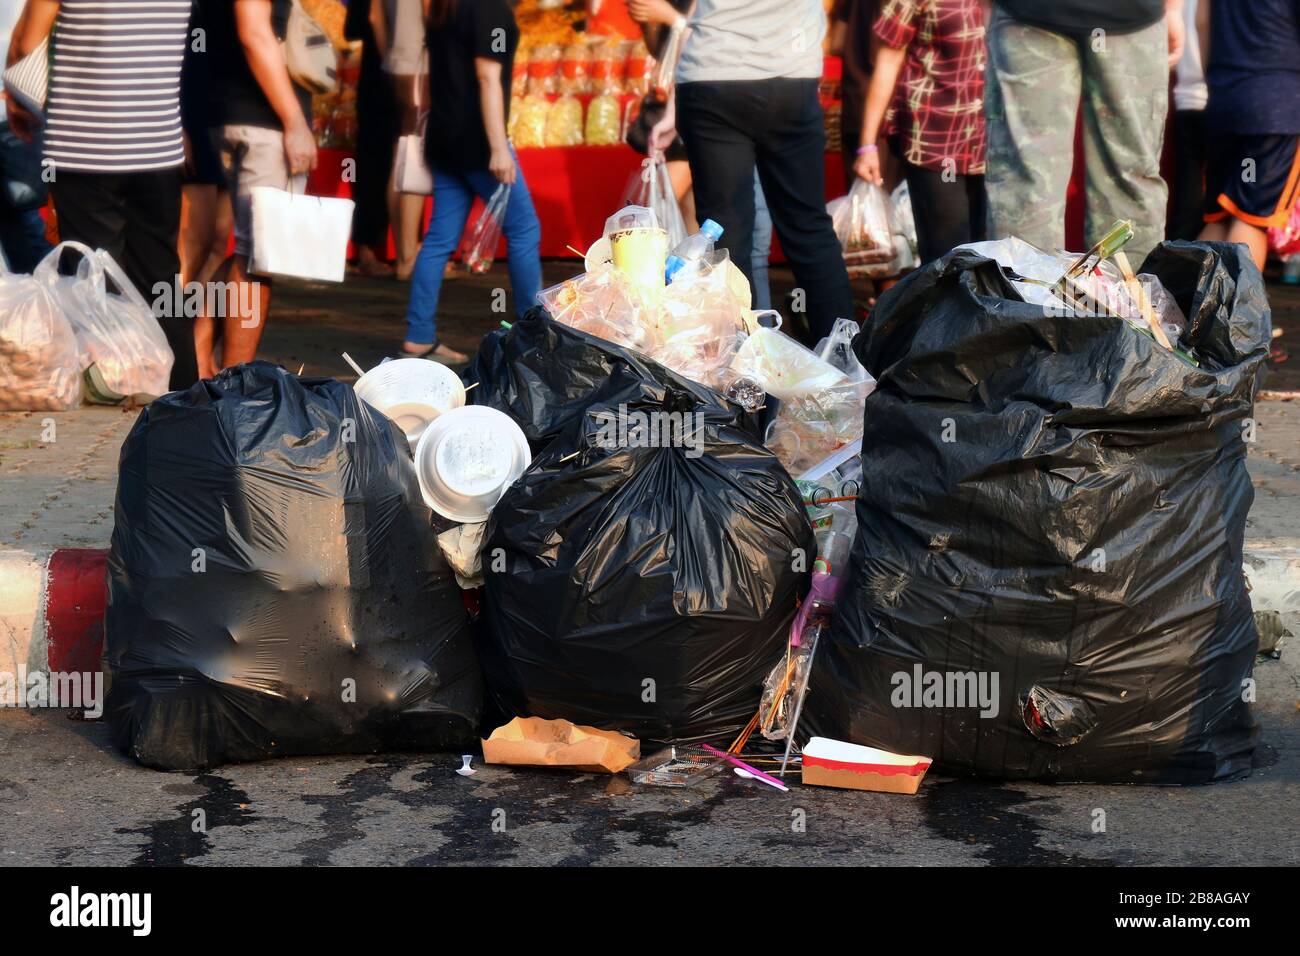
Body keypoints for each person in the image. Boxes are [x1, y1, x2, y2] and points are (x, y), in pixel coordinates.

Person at [6, 0, 198, 390]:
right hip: (157, 145)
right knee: (161, 275)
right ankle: (182, 388)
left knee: (87, 280)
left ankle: (104, 385)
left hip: (83, 146)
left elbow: (27, 44)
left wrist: (16, 94)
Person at [651, 0, 854, 343]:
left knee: (725, 234)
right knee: (808, 228)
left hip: (712, 76)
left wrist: (672, 108)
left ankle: (743, 374)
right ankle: (846, 363)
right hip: (790, 76)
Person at [984, 0, 1184, 264]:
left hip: (1028, 14)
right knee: (1130, 180)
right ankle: (1123, 300)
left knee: (1027, 180)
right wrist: (1173, 10)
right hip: (1132, 15)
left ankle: (1022, 299)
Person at [402, 0, 541, 362]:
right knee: (525, 230)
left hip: (445, 138)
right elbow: (487, 77)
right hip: (478, 144)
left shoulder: (444, 7)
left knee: (437, 241)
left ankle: (418, 335)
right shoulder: (488, 9)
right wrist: (498, 148)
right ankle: (536, 333)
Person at [199, 0, 317, 371]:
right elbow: (253, 32)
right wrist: (295, 121)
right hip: (260, 122)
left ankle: (199, 357)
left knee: (225, 250)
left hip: (220, 114)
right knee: (258, 259)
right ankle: (235, 380)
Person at [855, 0, 987, 265]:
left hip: (1000, 144)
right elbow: (888, 60)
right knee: (947, 260)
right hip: (934, 142)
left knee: (994, 257)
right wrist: (867, 145)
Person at [1198, 0, 1300, 272]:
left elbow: (1202, 23)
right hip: (1276, 108)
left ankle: (1189, 309)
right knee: (1251, 217)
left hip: (1224, 99)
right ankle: (1235, 314)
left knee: (1219, 217)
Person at [180, 0, 234, 379]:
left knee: (219, 244)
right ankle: (176, 352)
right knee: (191, 247)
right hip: (191, 109)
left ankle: (199, 349)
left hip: (233, 111)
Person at [372, 0, 428, 280]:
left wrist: (390, 56)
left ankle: (405, 255)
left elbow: (374, 16)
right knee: (414, 154)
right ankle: (407, 257)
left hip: (401, 59)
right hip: (421, 60)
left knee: (403, 153)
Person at [344, 0, 398, 277]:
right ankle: (371, 249)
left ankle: (402, 250)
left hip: (386, 74)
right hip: (389, 75)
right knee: (381, 161)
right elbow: (373, 18)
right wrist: (391, 61)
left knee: (383, 160)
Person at [0, 0, 51, 273]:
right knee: (25, 226)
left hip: (17, 112)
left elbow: (26, 42)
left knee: (24, 225)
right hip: (21, 108)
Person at [1167, 0, 1206, 241]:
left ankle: (1179, 264)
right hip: (1218, 95)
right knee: (1226, 209)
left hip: (1186, 98)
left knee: (1186, 200)